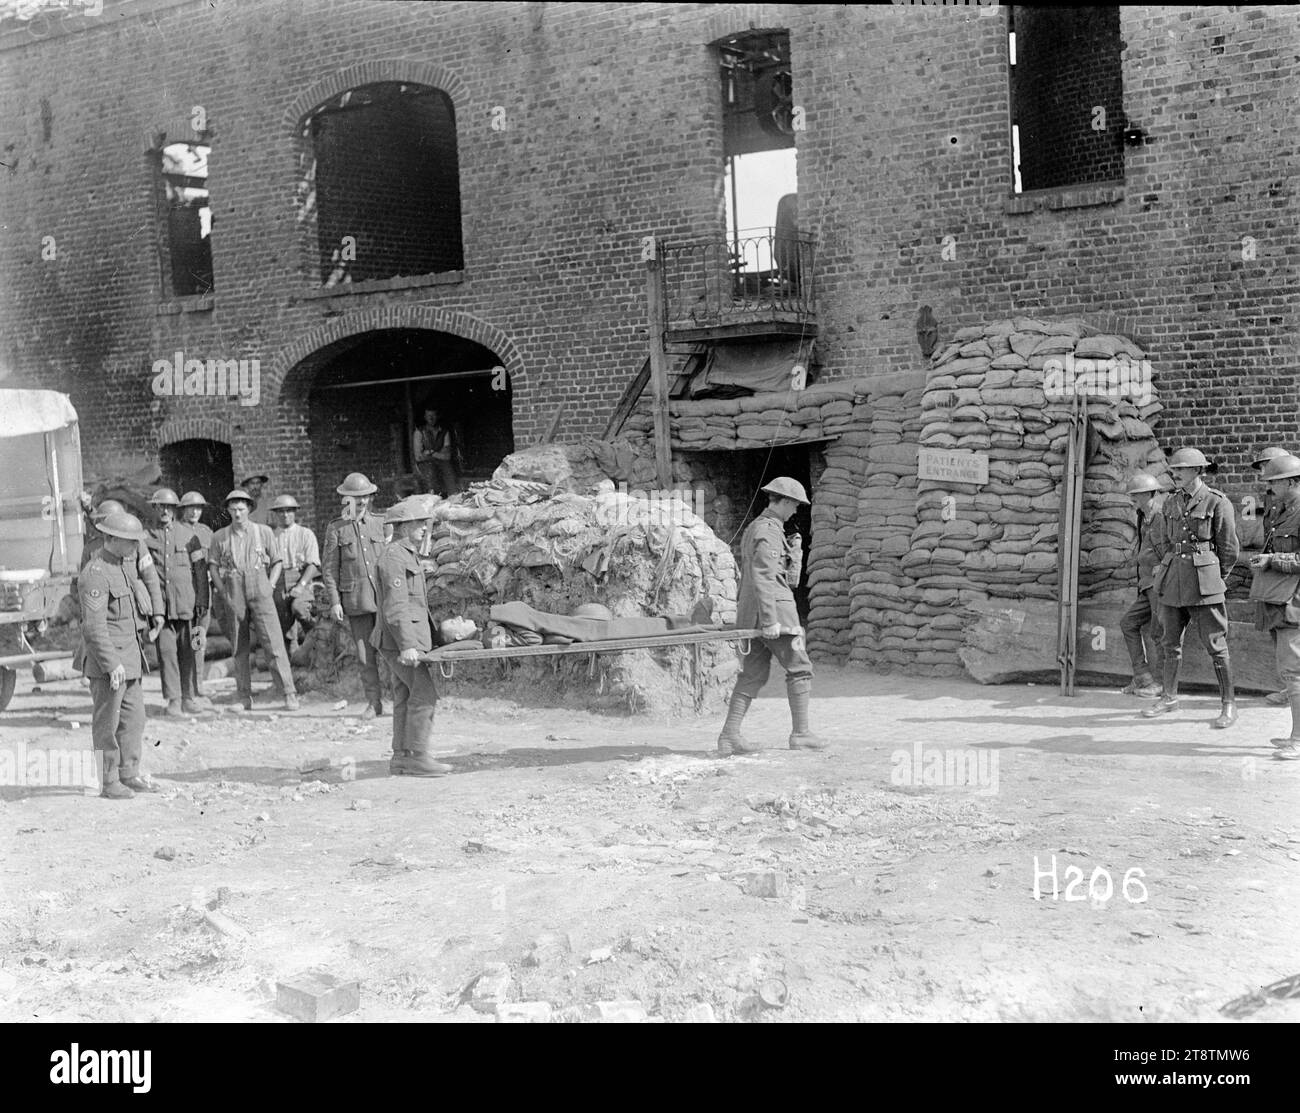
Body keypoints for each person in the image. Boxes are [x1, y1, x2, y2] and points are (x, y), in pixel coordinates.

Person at [716, 477, 827, 755]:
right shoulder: (768, 531)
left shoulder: (760, 527)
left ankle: (730, 735)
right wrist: (769, 622)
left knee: (752, 675)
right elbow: (765, 577)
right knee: (800, 669)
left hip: (753, 615)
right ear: (784, 501)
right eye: (795, 506)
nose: (796, 511)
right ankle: (801, 733)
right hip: (775, 616)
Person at [1142, 447, 1240, 728]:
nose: (1176, 474)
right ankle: (1169, 697)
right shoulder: (1170, 503)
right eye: (1174, 470)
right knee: (1170, 642)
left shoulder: (1216, 501)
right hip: (1174, 582)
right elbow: (1162, 540)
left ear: (1198, 471)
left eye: (1182, 469)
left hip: (1205, 583)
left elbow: (1229, 548)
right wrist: (1169, 566)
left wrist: (1214, 578)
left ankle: (1229, 704)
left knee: (1216, 645)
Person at [74, 511, 159, 798]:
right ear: (111, 539)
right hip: (108, 663)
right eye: (130, 542)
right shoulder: (95, 574)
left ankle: (128, 774)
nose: (136, 547)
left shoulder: (122, 566)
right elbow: (94, 629)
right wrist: (112, 665)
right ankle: (109, 781)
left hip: (130, 659)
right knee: (107, 723)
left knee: (134, 720)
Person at [371, 498, 450, 777]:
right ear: (403, 526)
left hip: (403, 640)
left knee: (405, 694)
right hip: (398, 642)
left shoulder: (407, 554)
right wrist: (407, 646)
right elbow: (397, 606)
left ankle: (402, 756)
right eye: (417, 524)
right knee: (425, 693)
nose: (423, 529)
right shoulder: (395, 556)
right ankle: (417, 755)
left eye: (424, 523)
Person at [209, 489, 299, 712]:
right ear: (228, 511)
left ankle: (289, 693)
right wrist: (223, 591)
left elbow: (277, 561)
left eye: (241, 509)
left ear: (249, 509)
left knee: (274, 642)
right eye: (233, 509)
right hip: (234, 588)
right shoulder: (220, 536)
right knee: (239, 646)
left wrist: (269, 585)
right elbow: (212, 565)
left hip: (259, 585)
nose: (237, 514)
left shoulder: (264, 532)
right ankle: (243, 697)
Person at [321, 472, 388, 718]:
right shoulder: (337, 529)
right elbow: (328, 570)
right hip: (356, 601)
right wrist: (335, 602)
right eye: (355, 498)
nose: (361, 502)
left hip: (382, 599)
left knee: (392, 650)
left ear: (371, 497)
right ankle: (374, 702)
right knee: (364, 655)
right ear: (346, 499)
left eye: (365, 497)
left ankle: (403, 700)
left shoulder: (381, 523)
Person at [1247, 453, 1300, 760]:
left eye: (1274, 481)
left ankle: (1298, 739)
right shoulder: (1282, 510)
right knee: (1291, 672)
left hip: (1295, 602)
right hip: (1281, 598)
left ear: (1292, 481)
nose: (1269, 485)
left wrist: (1273, 560)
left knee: (1294, 672)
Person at [145, 488, 209, 717]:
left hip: (186, 605)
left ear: (175, 510)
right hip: (161, 607)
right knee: (166, 653)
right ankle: (173, 699)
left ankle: (189, 698)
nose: (164, 511)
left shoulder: (189, 536)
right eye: (160, 506)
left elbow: (200, 570)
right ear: (154, 508)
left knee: (188, 652)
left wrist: (202, 600)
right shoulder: (147, 536)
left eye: (169, 507)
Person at [81, 499, 166, 639]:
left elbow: (150, 577)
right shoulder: (91, 549)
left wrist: (158, 612)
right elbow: (84, 588)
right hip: (107, 620)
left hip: (135, 616)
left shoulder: (136, 543)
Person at [1249, 446, 1294, 707]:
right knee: (1282, 643)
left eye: (1269, 468)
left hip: (1293, 587)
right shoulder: (1275, 502)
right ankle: (1291, 690)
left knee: (1293, 651)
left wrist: (1274, 560)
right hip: (1277, 584)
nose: (1265, 475)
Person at [1119, 473, 1167, 698]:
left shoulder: (1161, 515)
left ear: (1149, 494)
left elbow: (1173, 545)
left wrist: (1163, 567)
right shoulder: (1142, 516)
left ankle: (1159, 684)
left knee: (1159, 633)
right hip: (1146, 584)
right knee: (1128, 623)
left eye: (1136, 494)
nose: (1132, 499)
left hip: (1160, 585)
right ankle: (1142, 676)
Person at [179, 491, 218, 699]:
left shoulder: (206, 532)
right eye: (190, 508)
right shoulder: (179, 531)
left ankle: (199, 682)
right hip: (186, 594)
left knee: (199, 639)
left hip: (204, 594)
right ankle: (187, 685)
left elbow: (213, 561)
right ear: (183, 510)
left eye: (199, 508)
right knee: (187, 639)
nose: (195, 511)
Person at [269, 494, 320, 652]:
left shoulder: (305, 534)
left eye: (289, 511)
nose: (285, 515)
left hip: (300, 578)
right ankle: (292, 664)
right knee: (284, 626)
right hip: (278, 581)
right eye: (281, 511)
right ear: (275, 514)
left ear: (295, 512)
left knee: (299, 607)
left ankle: (315, 634)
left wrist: (301, 585)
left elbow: (313, 564)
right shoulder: (271, 536)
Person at [412, 407, 460, 496]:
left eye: (433, 415)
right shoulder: (419, 432)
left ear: (437, 416)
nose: (431, 418)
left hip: (440, 462)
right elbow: (418, 457)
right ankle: (432, 497)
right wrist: (438, 454)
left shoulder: (444, 432)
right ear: (425, 417)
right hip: (424, 464)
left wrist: (431, 452)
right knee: (430, 471)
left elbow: (447, 456)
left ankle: (453, 497)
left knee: (448, 469)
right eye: (428, 416)